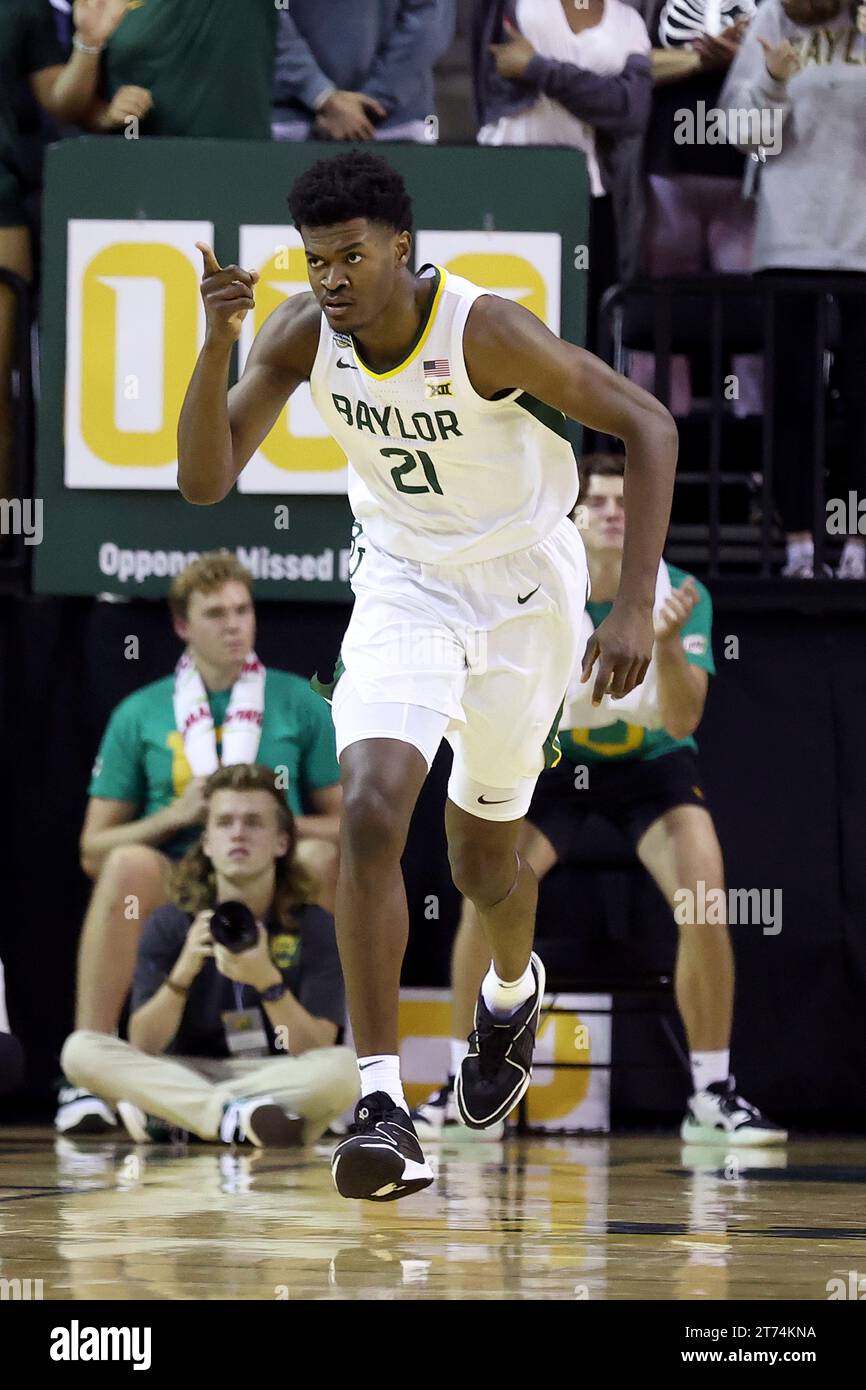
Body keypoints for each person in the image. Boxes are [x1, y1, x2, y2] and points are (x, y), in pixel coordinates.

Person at [177, 150, 678, 1201]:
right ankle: (380, 1101)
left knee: (482, 865)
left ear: (400, 246)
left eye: (350, 257)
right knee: (368, 811)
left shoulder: (483, 329)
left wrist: (629, 601)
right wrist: (214, 343)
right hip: (406, 580)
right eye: (315, 261)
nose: (330, 280)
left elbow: (648, 424)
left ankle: (507, 993)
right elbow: (206, 481)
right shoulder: (302, 332)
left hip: (525, 594)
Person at [412, 453, 786, 1146]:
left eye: (625, 500)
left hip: (651, 767)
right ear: (569, 515)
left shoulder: (678, 593)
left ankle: (711, 1094)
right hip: (554, 768)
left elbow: (680, 723)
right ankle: (468, 1081)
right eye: (599, 501)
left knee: (705, 892)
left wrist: (666, 646)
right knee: (484, 892)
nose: (614, 511)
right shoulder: (533, 590)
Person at [55, 550, 342, 1134]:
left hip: (270, 879)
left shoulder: (298, 702)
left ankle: (305, 1042)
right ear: (183, 625)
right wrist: (178, 817)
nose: (234, 624)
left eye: (242, 610)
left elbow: (346, 824)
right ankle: (89, 1086)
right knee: (127, 862)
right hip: (181, 874)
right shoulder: (141, 711)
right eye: (215, 613)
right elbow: (93, 847)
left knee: (324, 856)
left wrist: (270, 824)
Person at [61, 765, 358, 1148]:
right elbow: (144, 1044)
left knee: (343, 1069)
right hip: (187, 1069)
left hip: (273, 1071)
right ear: (206, 842)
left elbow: (315, 1047)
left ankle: (181, 1117)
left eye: (253, 822)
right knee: (81, 1049)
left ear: (282, 843)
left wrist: (267, 981)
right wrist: (182, 972)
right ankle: (232, 1116)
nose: (238, 833)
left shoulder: (313, 925)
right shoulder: (170, 922)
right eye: (224, 822)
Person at [721, 0, 866, 578]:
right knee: (793, 401)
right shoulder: (772, 23)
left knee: (863, 404)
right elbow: (740, 135)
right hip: (791, 243)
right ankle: (801, 544)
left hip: (862, 247)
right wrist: (776, 82)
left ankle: (857, 545)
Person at [1, 0, 131, 506]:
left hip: (3, 205)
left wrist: (89, 41)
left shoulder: (24, 11)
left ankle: (6, 548)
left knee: (4, 392)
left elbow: (61, 102)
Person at [473, 0, 652, 348]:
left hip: (585, 197)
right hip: (502, 185)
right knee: (493, 320)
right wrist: (593, 89)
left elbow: (630, 110)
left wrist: (540, 69)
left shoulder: (628, 22)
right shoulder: (512, 5)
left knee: (578, 332)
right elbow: (500, 64)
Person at [272, 0, 456, 144]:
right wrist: (319, 93)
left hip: (397, 129)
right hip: (289, 126)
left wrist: (373, 103)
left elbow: (430, 19)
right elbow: (262, 14)